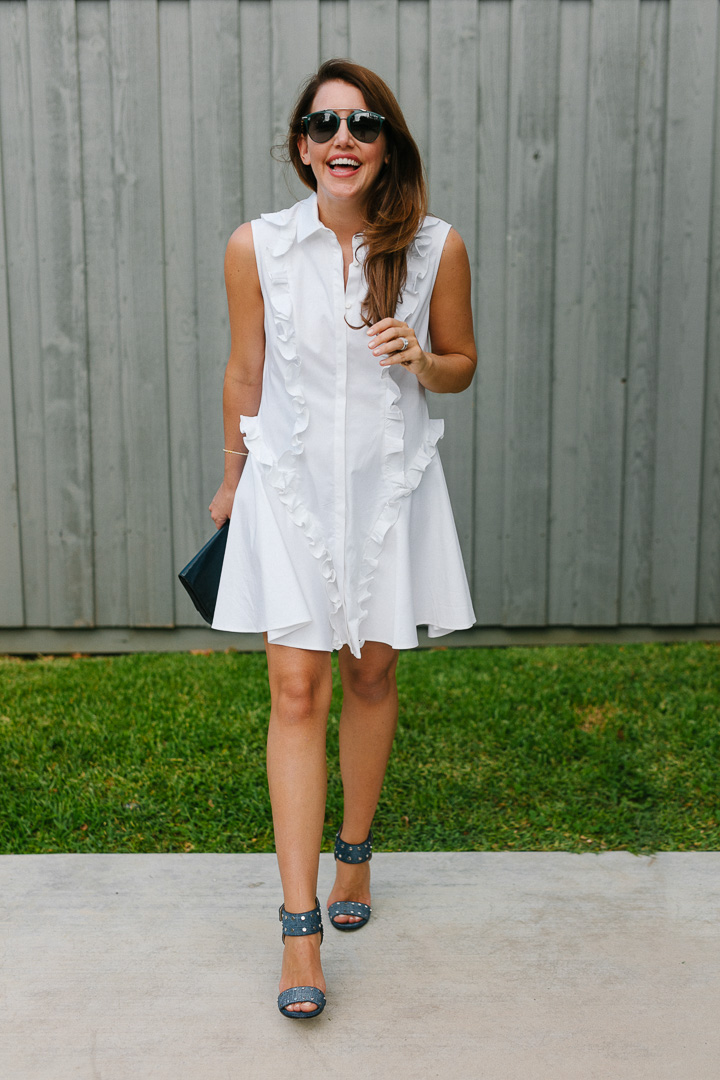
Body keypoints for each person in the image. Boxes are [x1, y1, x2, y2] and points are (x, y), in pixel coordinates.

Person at [208, 58, 477, 1019]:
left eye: (361, 125)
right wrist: (234, 477)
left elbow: (461, 366)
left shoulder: (435, 246)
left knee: (368, 672)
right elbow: (246, 372)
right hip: (286, 490)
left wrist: (425, 358)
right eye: (322, 127)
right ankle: (299, 933)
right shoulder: (257, 247)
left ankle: (354, 857)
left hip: (387, 491)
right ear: (300, 147)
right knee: (295, 686)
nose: (341, 141)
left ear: (386, 143)